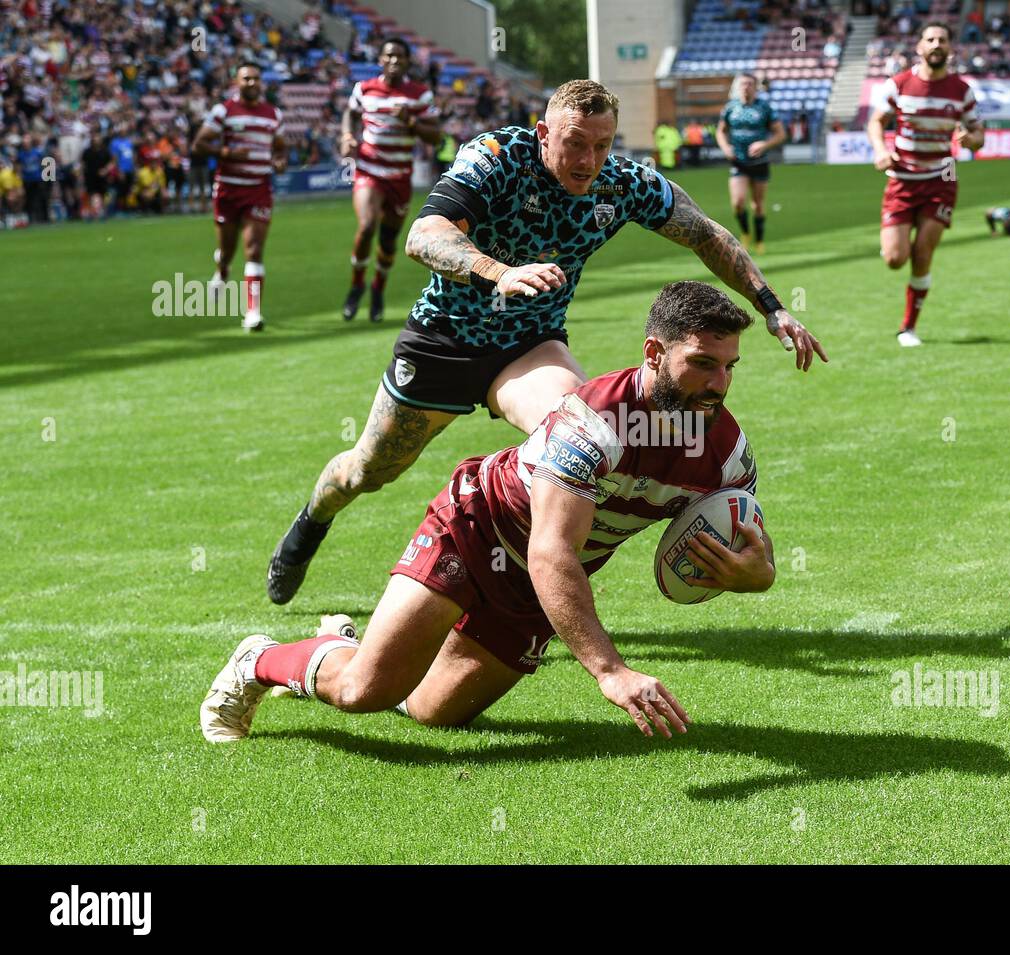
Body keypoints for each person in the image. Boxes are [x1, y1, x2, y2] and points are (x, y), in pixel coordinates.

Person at [264, 79, 825, 606]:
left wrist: (773, 311)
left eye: (601, 146)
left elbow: (705, 233)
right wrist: (497, 271)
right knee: (367, 471)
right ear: (543, 134)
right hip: (444, 341)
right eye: (575, 144)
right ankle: (312, 520)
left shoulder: (623, 183)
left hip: (529, 347)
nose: (588, 161)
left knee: (580, 442)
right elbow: (424, 234)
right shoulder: (497, 157)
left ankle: (524, 586)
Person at [205, 282, 774, 742]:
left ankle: (343, 643)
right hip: (477, 529)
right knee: (365, 691)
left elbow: (753, 544)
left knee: (432, 713)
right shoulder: (592, 423)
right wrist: (611, 670)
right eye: (703, 363)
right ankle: (259, 659)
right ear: (654, 353)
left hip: (534, 589)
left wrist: (757, 576)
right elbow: (551, 552)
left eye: (729, 367)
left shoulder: (726, 453)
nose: (718, 384)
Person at [868, 21, 983, 347]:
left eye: (942, 40)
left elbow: (978, 134)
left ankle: (908, 328)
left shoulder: (962, 90)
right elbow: (876, 121)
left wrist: (971, 138)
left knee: (923, 253)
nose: (936, 44)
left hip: (941, 179)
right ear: (919, 47)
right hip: (902, 180)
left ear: (949, 48)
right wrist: (880, 150)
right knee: (895, 259)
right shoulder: (899, 84)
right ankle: (894, 243)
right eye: (930, 39)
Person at [339, 37, 440, 323]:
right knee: (367, 225)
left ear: (407, 62)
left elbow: (435, 135)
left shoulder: (419, 95)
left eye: (400, 57)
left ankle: (378, 289)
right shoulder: (365, 89)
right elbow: (350, 112)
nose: (394, 61)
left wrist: (410, 121)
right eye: (389, 56)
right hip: (369, 170)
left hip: (399, 176)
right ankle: (357, 284)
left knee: (388, 240)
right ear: (380, 60)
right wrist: (347, 136)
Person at [192, 61, 288, 332]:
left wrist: (280, 161)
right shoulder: (224, 111)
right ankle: (221, 272)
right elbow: (198, 144)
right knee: (227, 251)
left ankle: (252, 312)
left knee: (254, 250)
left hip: (258, 190)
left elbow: (281, 149)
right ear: (237, 81)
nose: (251, 83)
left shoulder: (273, 115)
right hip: (228, 190)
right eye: (246, 78)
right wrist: (228, 154)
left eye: (255, 78)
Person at [717, 73, 785, 254]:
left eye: (749, 84)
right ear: (738, 86)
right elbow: (721, 132)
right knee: (738, 202)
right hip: (738, 161)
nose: (745, 87)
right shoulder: (731, 107)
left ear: (755, 87)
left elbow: (781, 134)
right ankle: (746, 233)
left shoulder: (765, 108)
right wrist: (725, 148)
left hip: (759, 161)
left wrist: (765, 144)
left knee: (758, 204)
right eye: (742, 84)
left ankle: (760, 240)